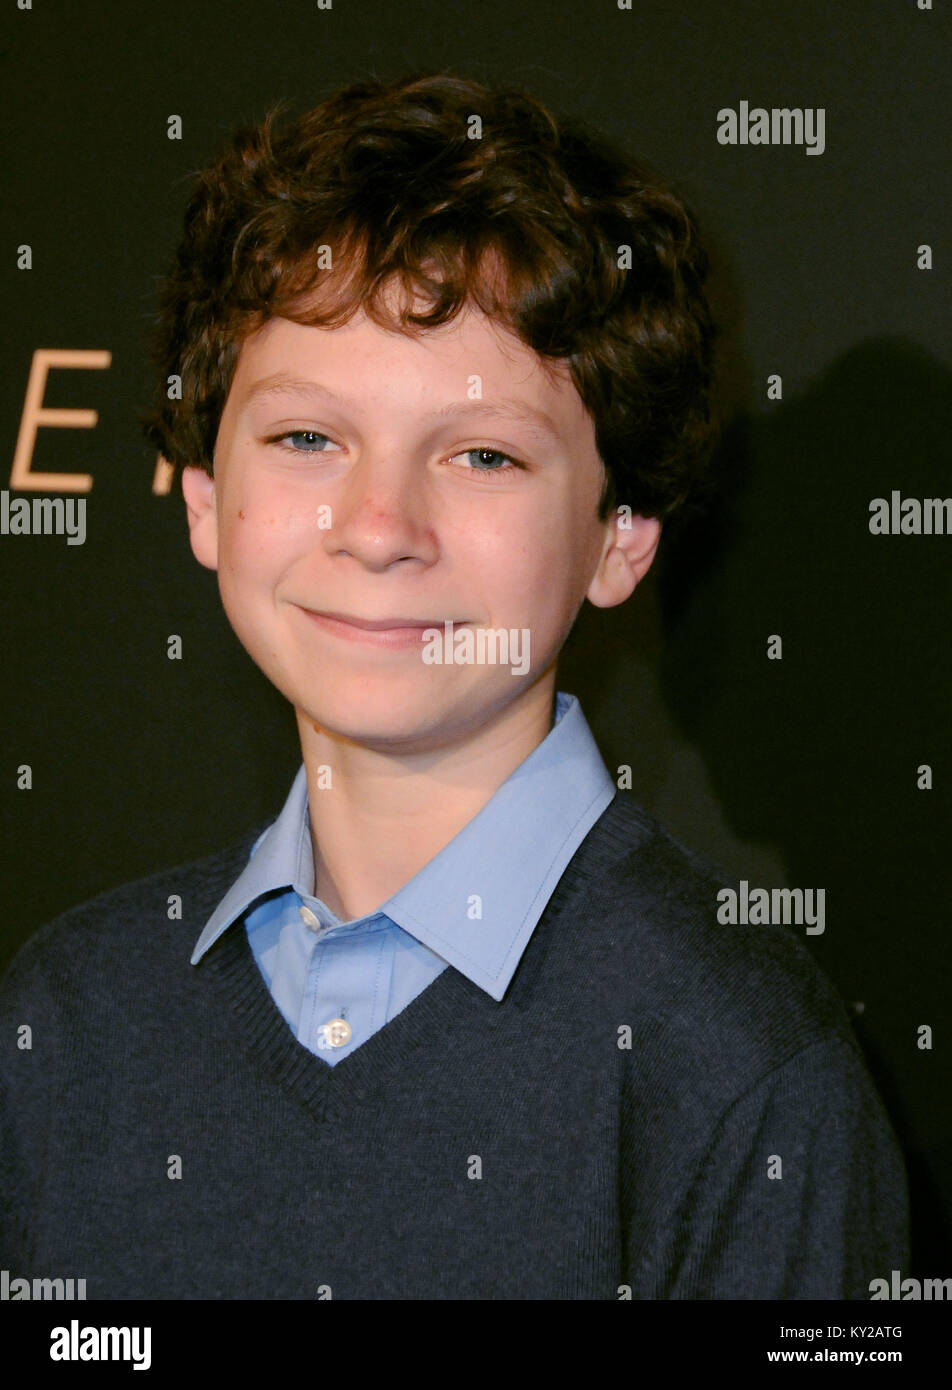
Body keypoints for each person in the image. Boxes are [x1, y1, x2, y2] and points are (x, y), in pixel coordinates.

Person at [0, 70, 908, 1299]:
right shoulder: (67, 1019)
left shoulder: (736, 1069)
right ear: (206, 498)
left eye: (481, 454)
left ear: (617, 536)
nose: (380, 527)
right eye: (306, 437)